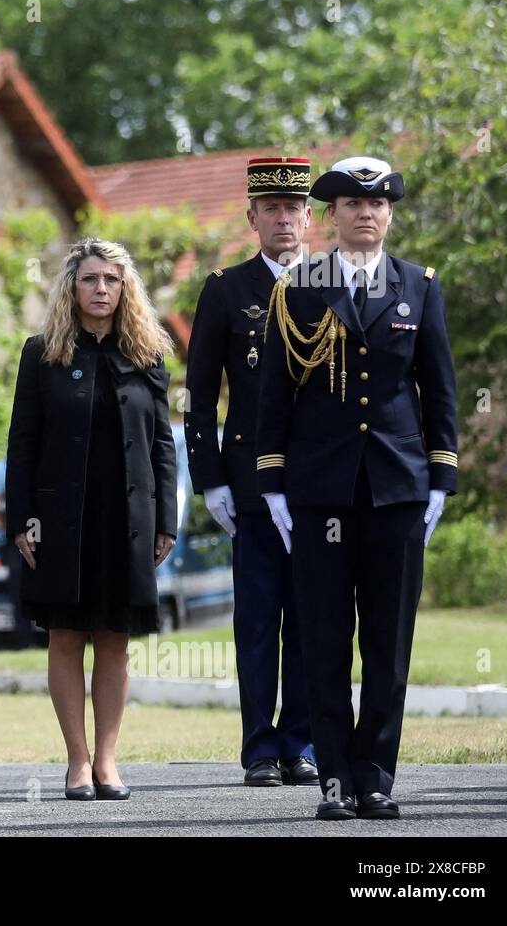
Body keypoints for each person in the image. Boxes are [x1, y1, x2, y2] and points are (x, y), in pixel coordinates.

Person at [255, 157, 457, 821]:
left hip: (397, 485)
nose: (365, 213)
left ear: (391, 213)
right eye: (349, 203)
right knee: (323, 637)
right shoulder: (299, 288)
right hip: (320, 489)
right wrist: (275, 483)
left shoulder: (419, 287)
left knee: (388, 643)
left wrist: (440, 475)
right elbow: (274, 395)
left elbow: (438, 388)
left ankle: (376, 777)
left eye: (377, 203)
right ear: (332, 216)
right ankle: (335, 779)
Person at [6, 238, 177, 801]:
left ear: (125, 288)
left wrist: (166, 520)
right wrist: (21, 520)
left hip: (127, 518)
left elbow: (162, 446)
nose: (101, 288)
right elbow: (22, 444)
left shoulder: (149, 356)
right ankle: (76, 762)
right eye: (89, 279)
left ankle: (107, 762)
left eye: (111, 279)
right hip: (60, 519)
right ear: (71, 288)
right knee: (65, 636)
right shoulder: (42, 354)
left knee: (115, 639)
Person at [184, 157, 319, 788]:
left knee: (314, 613)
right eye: (272, 209)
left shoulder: (335, 282)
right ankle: (260, 747)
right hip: (247, 482)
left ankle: (302, 742)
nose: (284, 220)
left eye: (294, 209)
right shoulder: (226, 290)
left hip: (320, 477)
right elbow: (200, 393)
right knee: (259, 616)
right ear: (253, 218)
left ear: (309, 218)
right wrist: (208, 477)